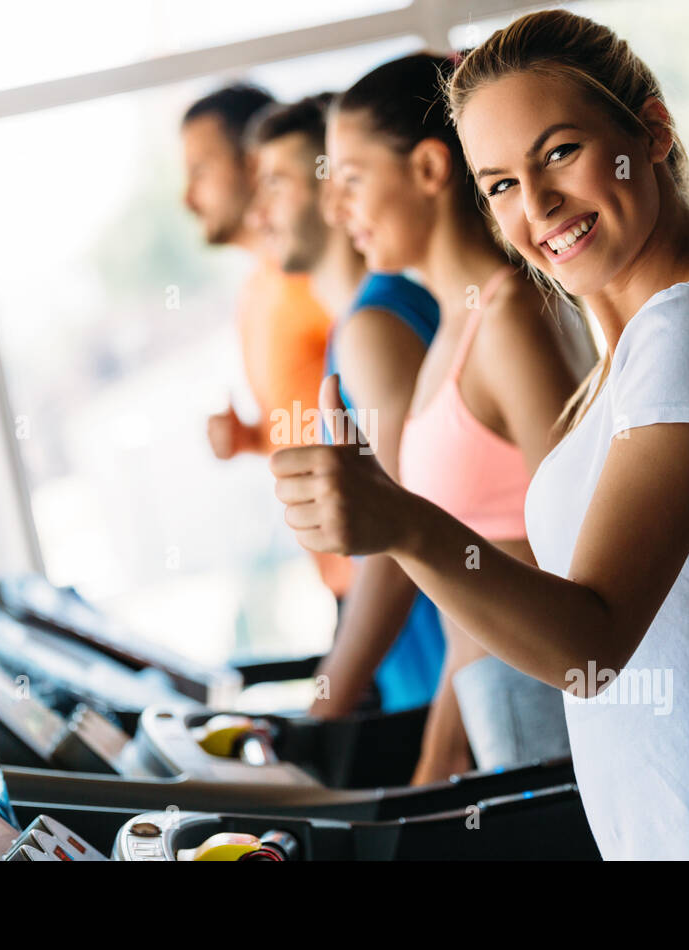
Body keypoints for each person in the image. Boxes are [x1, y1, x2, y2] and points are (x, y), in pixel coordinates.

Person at [268, 10, 689, 859]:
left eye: (559, 153)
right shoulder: (631, 358)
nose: (535, 207)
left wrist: (400, 523)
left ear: (650, 130)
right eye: (498, 184)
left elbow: (593, 642)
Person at [317, 53, 599, 784]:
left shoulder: (510, 320)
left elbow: (579, 553)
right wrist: (440, 751)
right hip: (492, 708)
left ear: (430, 170)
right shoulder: (454, 324)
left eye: (351, 180)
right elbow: (471, 588)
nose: (336, 209)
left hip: (551, 714)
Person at [243, 93, 445, 713]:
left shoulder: (373, 327)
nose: (261, 212)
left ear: (333, 195)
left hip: (449, 694)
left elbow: (399, 538)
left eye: (278, 185)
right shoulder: (356, 325)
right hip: (429, 687)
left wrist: (324, 707)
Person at [180, 84, 352, 602]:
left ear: (250, 163)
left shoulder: (323, 275)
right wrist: (251, 437)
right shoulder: (256, 291)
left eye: (200, 171)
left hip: (390, 579)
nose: (188, 198)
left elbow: (388, 410)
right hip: (342, 579)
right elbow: (320, 415)